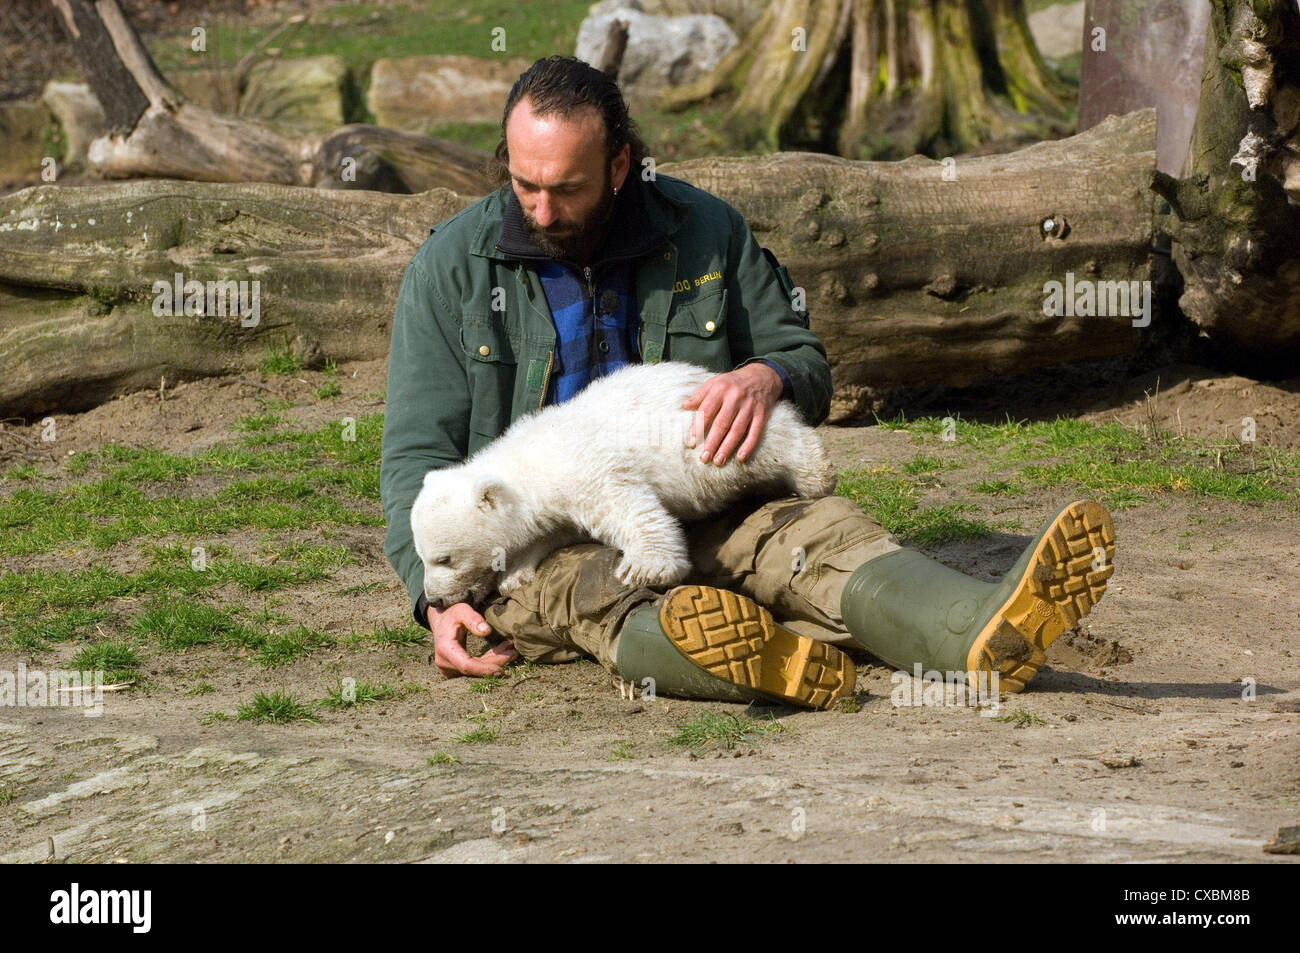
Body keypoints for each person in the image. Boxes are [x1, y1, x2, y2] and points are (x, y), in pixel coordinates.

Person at [380, 56, 1116, 709]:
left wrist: (767, 376)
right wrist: (432, 596)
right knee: (591, 590)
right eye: (523, 184)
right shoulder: (451, 270)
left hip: (713, 491)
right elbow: (415, 457)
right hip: (552, 540)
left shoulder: (706, 230)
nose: (541, 210)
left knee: (823, 538)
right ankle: (743, 658)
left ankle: (973, 627)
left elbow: (804, 360)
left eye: (565, 190)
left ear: (617, 166)